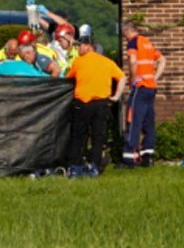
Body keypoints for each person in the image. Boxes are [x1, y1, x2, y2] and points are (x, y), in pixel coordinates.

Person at [64, 35, 125, 172]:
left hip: (82, 103)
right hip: (101, 104)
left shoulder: (78, 62)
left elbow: (68, 79)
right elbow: (122, 77)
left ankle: (74, 165)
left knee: (78, 136)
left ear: (88, 46)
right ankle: (95, 166)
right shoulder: (107, 62)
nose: (78, 48)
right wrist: (116, 96)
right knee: (98, 137)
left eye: (79, 46)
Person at [121, 21, 164, 166]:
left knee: (133, 120)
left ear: (127, 31)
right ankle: (148, 157)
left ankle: (129, 158)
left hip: (139, 87)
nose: (124, 38)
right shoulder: (148, 42)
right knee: (148, 121)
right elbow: (162, 60)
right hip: (151, 87)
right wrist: (155, 77)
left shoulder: (133, 42)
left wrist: (133, 78)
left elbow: (133, 61)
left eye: (124, 35)